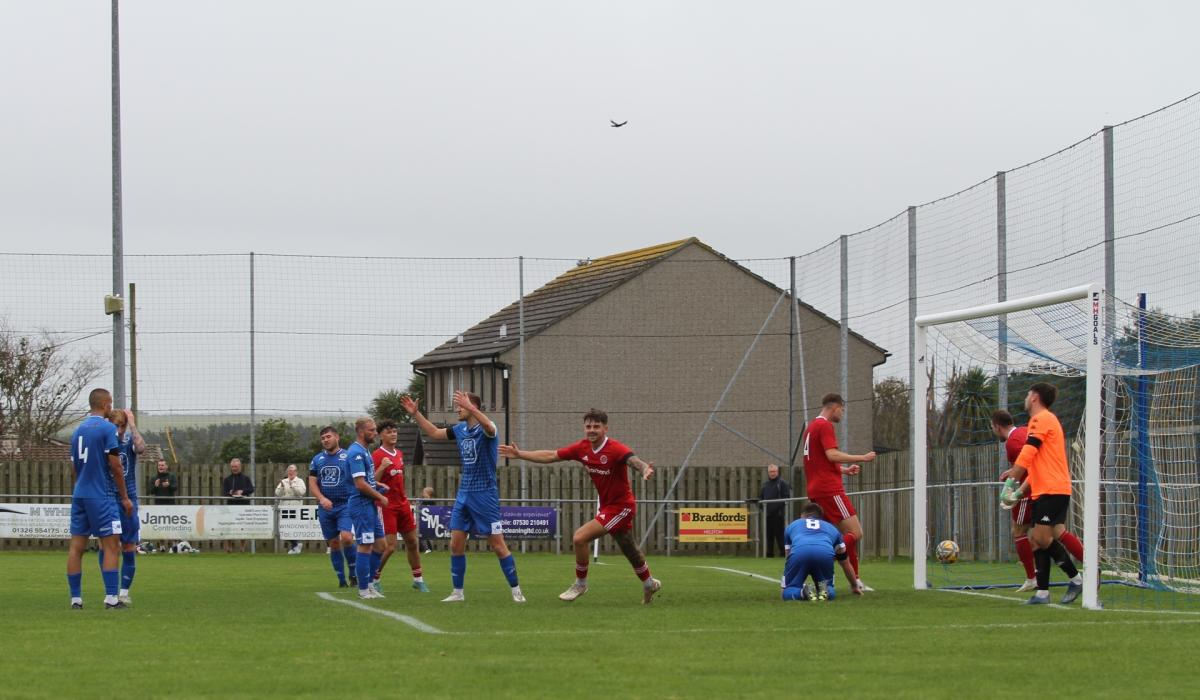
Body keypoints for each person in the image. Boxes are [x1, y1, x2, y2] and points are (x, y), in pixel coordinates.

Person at [500, 408, 661, 604]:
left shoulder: (615, 448)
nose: (592, 430)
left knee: (579, 537)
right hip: (608, 507)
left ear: (605, 428)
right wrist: (520, 454)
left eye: (596, 426)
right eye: (588, 426)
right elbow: (551, 455)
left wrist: (645, 468)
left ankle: (580, 583)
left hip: (621, 507)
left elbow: (634, 461)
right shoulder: (582, 448)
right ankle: (649, 584)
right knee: (629, 548)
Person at [402, 390, 524, 603]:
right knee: (456, 544)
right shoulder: (459, 429)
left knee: (497, 544)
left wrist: (473, 407)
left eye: (460, 405)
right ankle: (457, 592)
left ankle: (516, 591)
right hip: (464, 494)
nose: (457, 409)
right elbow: (434, 433)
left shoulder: (486, 430)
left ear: (471, 407)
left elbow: (491, 427)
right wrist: (416, 414)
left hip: (485, 495)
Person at [1001, 383, 1085, 605]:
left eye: (1028, 394)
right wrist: (1019, 492)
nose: (1026, 397)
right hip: (1042, 490)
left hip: (1053, 489)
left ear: (1035, 398)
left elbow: (1028, 453)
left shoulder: (1042, 419)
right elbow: (1036, 464)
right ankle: (1042, 593)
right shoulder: (1036, 423)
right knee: (1038, 541)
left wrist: (1010, 482)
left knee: (1040, 538)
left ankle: (1076, 579)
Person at [802, 393, 876, 591]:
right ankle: (824, 556)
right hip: (830, 490)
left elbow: (817, 462)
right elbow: (831, 454)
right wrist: (862, 457)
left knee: (836, 535)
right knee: (855, 533)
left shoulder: (810, 427)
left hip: (816, 490)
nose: (842, 414)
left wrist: (843, 470)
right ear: (835, 407)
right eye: (842, 409)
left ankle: (855, 582)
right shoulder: (825, 425)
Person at [66, 388, 133, 609]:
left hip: (80, 494)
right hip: (101, 495)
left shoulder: (77, 430)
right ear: (105, 404)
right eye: (110, 404)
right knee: (111, 544)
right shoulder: (107, 428)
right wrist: (124, 497)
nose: (111, 408)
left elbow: (74, 466)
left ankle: (76, 599)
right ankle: (112, 598)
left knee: (76, 547)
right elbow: (115, 465)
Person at [372, 420, 428, 592]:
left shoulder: (399, 454)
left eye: (395, 431)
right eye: (389, 432)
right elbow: (371, 481)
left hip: (403, 504)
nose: (393, 434)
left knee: (412, 542)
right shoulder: (376, 455)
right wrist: (382, 467)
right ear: (381, 435)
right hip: (386, 505)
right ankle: (374, 579)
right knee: (389, 547)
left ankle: (418, 580)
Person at [307, 426, 357, 588]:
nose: (325, 440)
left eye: (328, 437)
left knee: (347, 538)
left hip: (345, 504)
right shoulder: (317, 460)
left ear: (337, 437)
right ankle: (341, 580)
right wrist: (321, 498)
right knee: (334, 543)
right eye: (323, 438)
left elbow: (358, 477)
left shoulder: (348, 456)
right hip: (326, 507)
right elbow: (312, 482)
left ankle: (354, 573)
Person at [781, 502, 862, 601]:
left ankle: (803, 592)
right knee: (828, 588)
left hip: (800, 552)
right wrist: (854, 585)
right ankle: (825, 589)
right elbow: (845, 562)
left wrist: (786, 585)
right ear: (821, 517)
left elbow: (788, 557)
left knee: (789, 590)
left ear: (802, 515)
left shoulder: (792, 525)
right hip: (824, 554)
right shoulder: (832, 529)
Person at [346, 417, 390, 600]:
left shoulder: (365, 451)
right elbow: (359, 484)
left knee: (381, 545)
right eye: (371, 430)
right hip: (361, 505)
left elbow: (367, 480)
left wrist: (378, 484)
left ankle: (370, 584)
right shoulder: (356, 453)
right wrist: (380, 496)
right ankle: (363, 590)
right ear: (361, 431)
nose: (375, 433)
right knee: (365, 546)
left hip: (369, 505)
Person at [108, 408, 145, 605]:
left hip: (129, 499)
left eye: (122, 426)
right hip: (109, 499)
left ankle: (123, 592)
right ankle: (110, 592)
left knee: (129, 544)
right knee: (109, 545)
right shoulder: (105, 443)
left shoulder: (128, 441)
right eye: (116, 425)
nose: (120, 430)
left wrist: (132, 424)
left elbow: (141, 448)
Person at [222, 458, 255, 553]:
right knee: (229, 527)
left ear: (240, 467)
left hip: (243, 507)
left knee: (243, 527)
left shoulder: (246, 478)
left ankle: (242, 548)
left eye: (236, 466)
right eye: (232, 467)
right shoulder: (227, 479)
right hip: (231, 507)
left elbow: (251, 489)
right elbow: (224, 492)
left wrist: (242, 492)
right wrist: (231, 493)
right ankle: (229, 548)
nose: (234, 468)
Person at [759, 463, 792, 558]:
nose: (772, 473)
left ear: (777, 472)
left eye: (774, 471)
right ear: (768, 473)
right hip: (767, 514)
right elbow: (761, 497)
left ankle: (783, 554)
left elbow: (786, 497)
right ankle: (769, 554)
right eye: (770, 472)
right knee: (769, 535)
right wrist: (763, 507)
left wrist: (775, 508)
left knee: (780, 535)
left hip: (778, 515)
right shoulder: (765, 484)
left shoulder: (782, 483)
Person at [275, 464, 307, 554]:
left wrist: (292, 486)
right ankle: (296, 544)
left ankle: (295, 546)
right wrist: (281, 486)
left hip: (295, 507)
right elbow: (277, 493)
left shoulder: (300, 481)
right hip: (285, 507)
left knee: (293, 527)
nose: (291, 472)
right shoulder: (284, 481)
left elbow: (301, 492)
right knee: (284, 528)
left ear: (296, 472)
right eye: (289, 471)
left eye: (292, 471)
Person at [418, 486, 435, 553]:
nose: (422, 494)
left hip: (429, 521)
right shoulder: (422, 501)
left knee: (422, 535)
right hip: (423, 521)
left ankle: (426, 548)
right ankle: (428, 548)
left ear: (428, 494)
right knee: (423, 535)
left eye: (424, 493)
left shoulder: (431, 502)